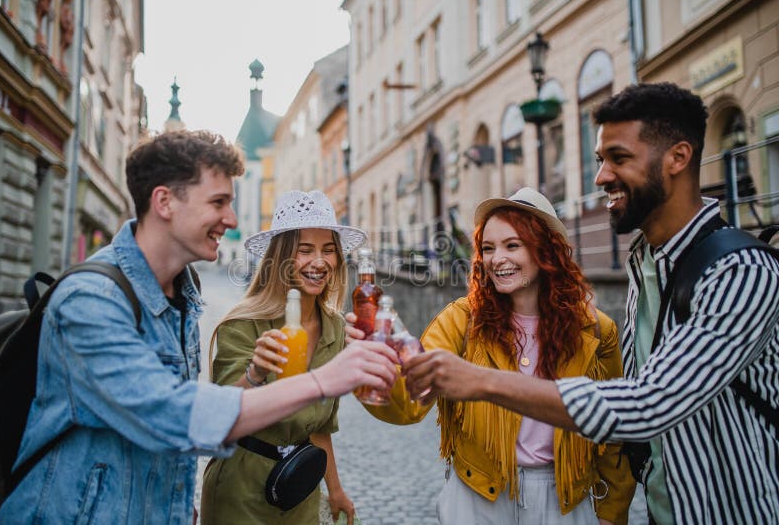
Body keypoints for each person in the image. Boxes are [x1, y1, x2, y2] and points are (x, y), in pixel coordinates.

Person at [403, 83, 779, 524]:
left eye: (619, 159)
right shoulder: (648, 267)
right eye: (600, 161)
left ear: (677, 158)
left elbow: (645, 405)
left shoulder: (741, 272)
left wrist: (482, 382)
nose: (600, 177)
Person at [0, 132, 398, 524]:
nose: (232, 219)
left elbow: (171, 446)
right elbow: (173, 415)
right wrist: (322, 380)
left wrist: (176, 502)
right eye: (218, 202)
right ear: (165, 201)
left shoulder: (182, 297)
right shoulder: (92, 300)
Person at [348, 188, 635, 525]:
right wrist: (369, 365)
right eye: (488, 248)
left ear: (546, 250)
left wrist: (613, 513)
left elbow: (614, 431)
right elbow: (410, 402)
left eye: (512, 245)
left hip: (565, 499)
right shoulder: (462, 320)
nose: (497, 259)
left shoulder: (595, 330)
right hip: (479, 497)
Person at [201, 190, 368, 525]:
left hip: (300, 486)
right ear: (281, 259)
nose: (318, 262)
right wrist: (256, 373)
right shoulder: (243, 325)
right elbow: (219, 417)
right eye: (305, 250)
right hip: (241, 488)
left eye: (328, 250)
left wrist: (335, 489)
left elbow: (319, 425)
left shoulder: (335, 328)